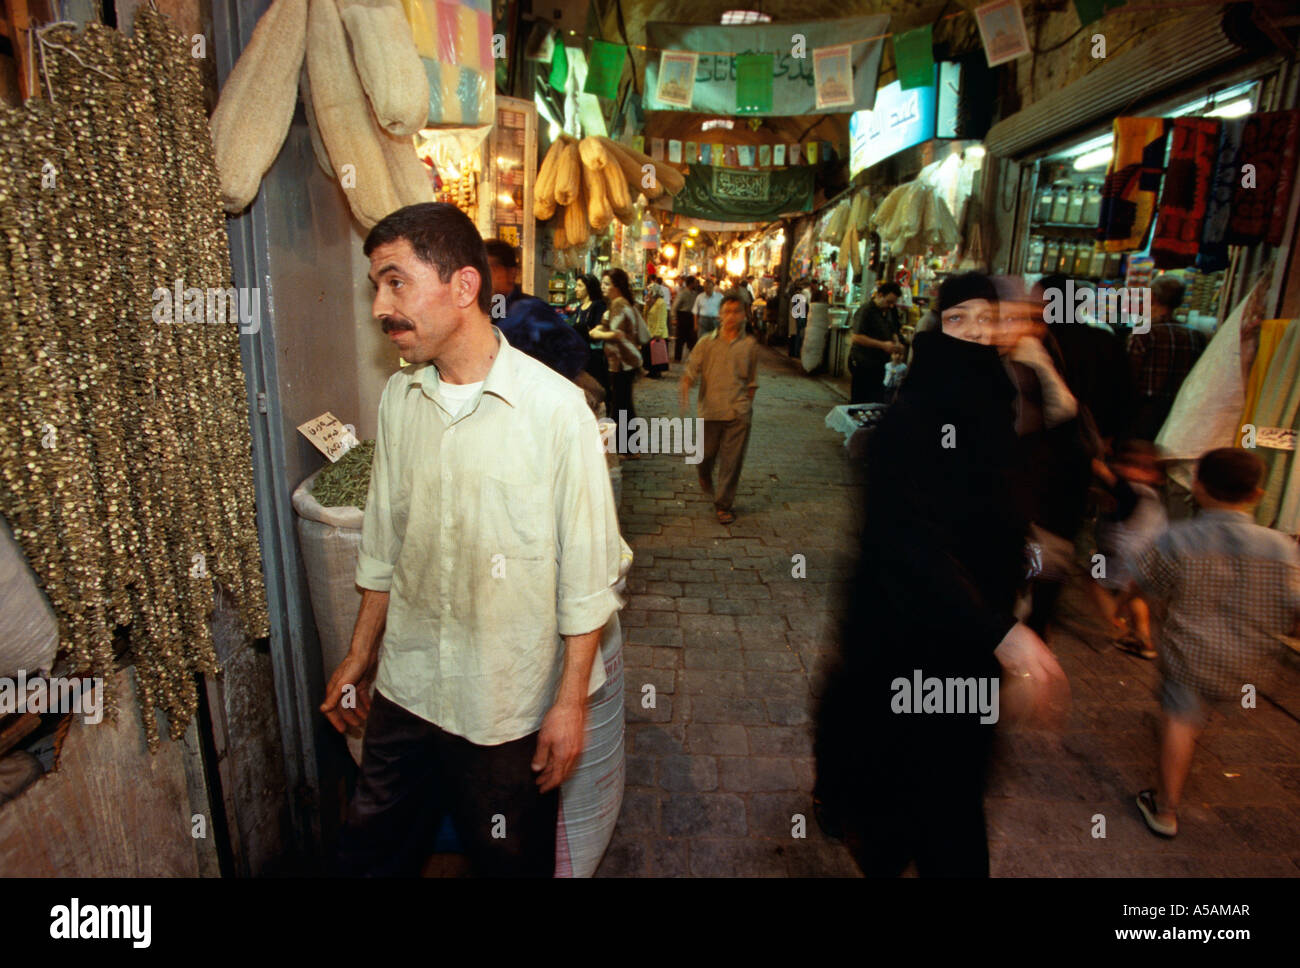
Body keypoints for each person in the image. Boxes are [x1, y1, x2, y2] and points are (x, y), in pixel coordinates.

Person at [323, 203, 623, 877]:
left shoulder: (554, 412)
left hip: (505, 705)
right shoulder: (400, 402)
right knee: (370, 854)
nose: (380, 306)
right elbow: (384, 546)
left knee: (508, 863)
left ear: (463, 287)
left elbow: (587, 577)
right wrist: (358, 656)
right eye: (376, 285)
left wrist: (570, 702)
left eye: (395, 282)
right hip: (408, 687)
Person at [814, 272, 1063, 877]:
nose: (977, 331)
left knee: (938, 805)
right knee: (931, 815)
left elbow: (990, 510)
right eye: (960, 318)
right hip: (907, 646)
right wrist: (1001, 633)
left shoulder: (996, 414)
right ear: (938, 324)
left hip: (964, 658)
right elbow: (906, 547)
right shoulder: (911, 423)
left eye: (990, 318)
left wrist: (1025, 557)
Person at [1131, 448, 1300, 839]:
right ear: (1257, 494)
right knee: (1199, 710)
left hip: (1190, 650)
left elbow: (1149, 584)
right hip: (1247, 659)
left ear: (1198, 486)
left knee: (1180, 717)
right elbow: (1294, 604)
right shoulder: (1280, 546)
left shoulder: (1180, 537)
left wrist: (1130, 605)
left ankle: (1165, 810)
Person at [679, 293, 758, 525]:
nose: (732, 316)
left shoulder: (750, 346)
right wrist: (686, 385)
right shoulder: (706, 342)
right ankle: (704, 474)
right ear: (719, 315)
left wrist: (746, 407)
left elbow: (752, 382)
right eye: (727, 311)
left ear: (744, 315)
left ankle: (724, 505)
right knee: (705, 456)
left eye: (737, 311)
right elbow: (692, 369)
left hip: (738, 413)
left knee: (731, 462)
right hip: (710, 411)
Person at [1087, 440, 1167, 659]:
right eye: (1130, 464)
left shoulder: (1130, 489)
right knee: (1136, 597)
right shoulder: (1153, 495)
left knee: (1094, 581)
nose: (1134, 470)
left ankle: (1116, 626)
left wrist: (1099, 468)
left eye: (1142, 466)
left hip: (1120, 553)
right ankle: (1144, 639)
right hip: (1150, 556)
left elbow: (1121, 492)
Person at [484, 238, 588, 381]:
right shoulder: (494, 311)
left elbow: (576, 351)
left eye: (489, 269)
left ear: (511, 274)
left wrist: (544, 388)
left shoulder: (530, 311)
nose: (482, 278)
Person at [1127, 275, 1207, 442]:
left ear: (1153, 298)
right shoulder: (1196, 336)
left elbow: (1128, 377)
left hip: (1143, 414)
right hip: (1180, 412)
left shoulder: (1143, 334)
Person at [588, 268, 641, 443]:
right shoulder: (616, 304)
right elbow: (606, 324)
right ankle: (628, 446)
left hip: (623, 361)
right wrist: (599, 329)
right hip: (619, 362)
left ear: (616, 286)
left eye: (607, 284)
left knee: (622, 405)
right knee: (623, 403)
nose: (602, 287)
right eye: (602, 284)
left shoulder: (619, 304)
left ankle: (628, 446)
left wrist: (597, 334)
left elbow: (617, 334)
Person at [848, 282, 905, 404]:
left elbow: (893, 329)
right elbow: (856, 337)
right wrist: (883, 345)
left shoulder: (889, 311)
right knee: (860, 401)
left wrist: (897, 342)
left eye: (893, 303)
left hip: (880, 365)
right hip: (863, 363)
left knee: (875, 400)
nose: (890, 306)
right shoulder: (865, 311)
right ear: (879, 295)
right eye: (888, 302)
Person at [571, 273, 609, 402]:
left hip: (594, 357)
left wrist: (587, 333)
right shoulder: (578, 309)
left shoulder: (598, 306)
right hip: (580, 355)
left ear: (589, 288)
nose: (576, 288)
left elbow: (601, 327)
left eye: (580, 286)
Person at [644, 287, 670, 379]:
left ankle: (657, 372)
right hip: (650, 331)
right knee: (650, 352)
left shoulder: (661, 303)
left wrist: (658, 332)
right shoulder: (652, 302)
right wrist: (647, 304)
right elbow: (646, 315)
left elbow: (662, 319)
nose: (648, 294)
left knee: (657, 353)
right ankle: (652, 371)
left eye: (650, 292)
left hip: (659, 333)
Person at [671, 276, 699, 362]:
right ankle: (677, 357)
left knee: (692, 338)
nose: (696, 284)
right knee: (680, 338)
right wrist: (674, 318)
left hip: (691, 317)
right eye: (694, 282)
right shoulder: (682, 293)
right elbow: (675, 306)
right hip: (683, 316)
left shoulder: (694, 294)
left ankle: (694, 358)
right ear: (691, 283)